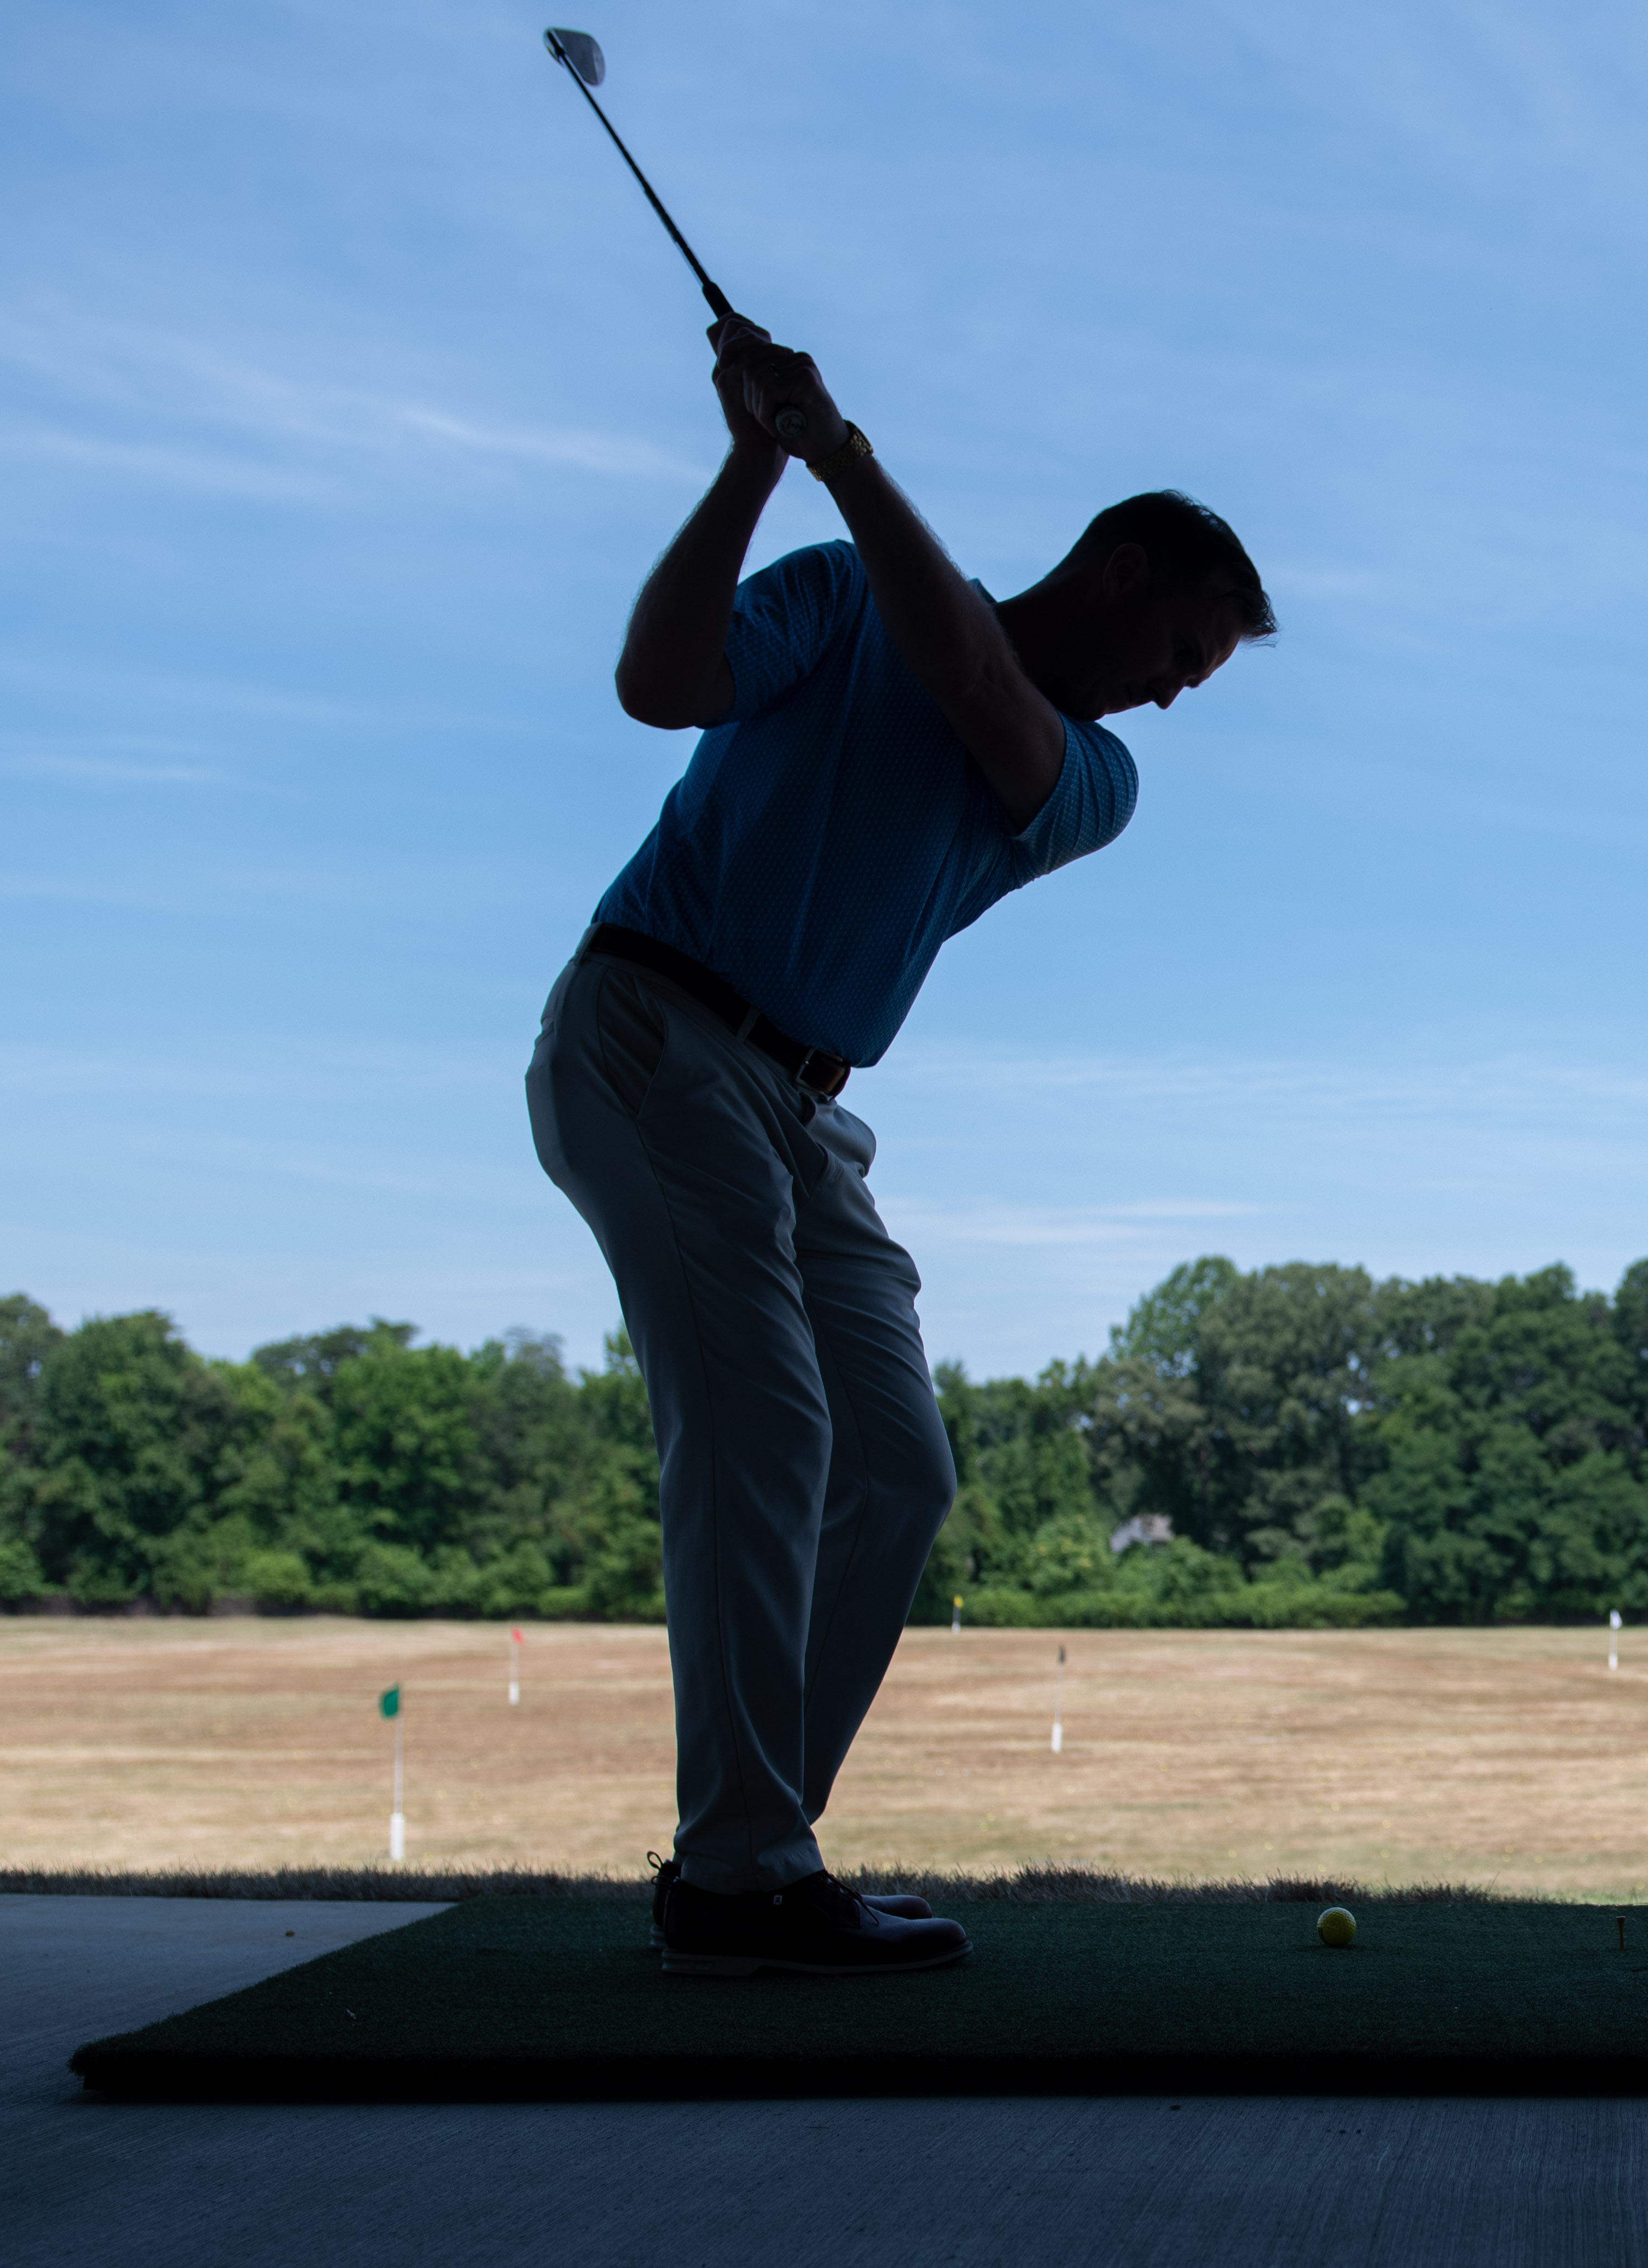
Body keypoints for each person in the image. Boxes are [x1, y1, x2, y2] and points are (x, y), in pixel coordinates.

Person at [527, 316, 1272, 1976]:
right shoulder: (838, 590)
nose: (1170, 691)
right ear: (1122, 565)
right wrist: (759, 459)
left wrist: (842, 445)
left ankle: (755, 1853)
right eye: (1181, 647)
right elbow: (660, 685)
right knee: (767, 1426)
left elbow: (977, 688)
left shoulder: (1093, 774)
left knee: (897, 1466)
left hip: (801, 1106)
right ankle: (743, 1873)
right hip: (651, 1030)